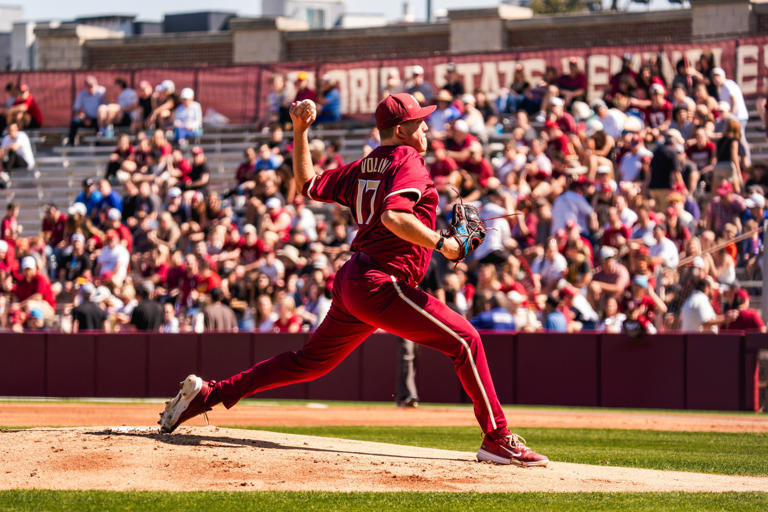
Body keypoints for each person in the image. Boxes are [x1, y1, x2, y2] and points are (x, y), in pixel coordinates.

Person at [158, 93, 549, 467]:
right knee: (466, 340)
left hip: (355, 279)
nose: (427, 129)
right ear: (401, 130)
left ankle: (210, 394)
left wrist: (300, 133)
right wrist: (443, 244)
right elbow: (396, 218)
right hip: (381, 281)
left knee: (309, 363)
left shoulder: (366, 165)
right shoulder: (407, 158)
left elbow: (307, 184)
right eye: (420, 123)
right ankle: (497, 438)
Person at [68, 76, 106, 146]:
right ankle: (71, 144)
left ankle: (98, 146)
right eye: (88, 86)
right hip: (87, 118)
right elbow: (77, 109)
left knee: (99, 126)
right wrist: (85, 119)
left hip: (99, 119)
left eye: (91, 86)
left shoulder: (102, 92)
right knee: (74, 122)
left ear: (96, 84)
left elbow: (107, 107)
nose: (90, 88)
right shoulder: (82, 94)